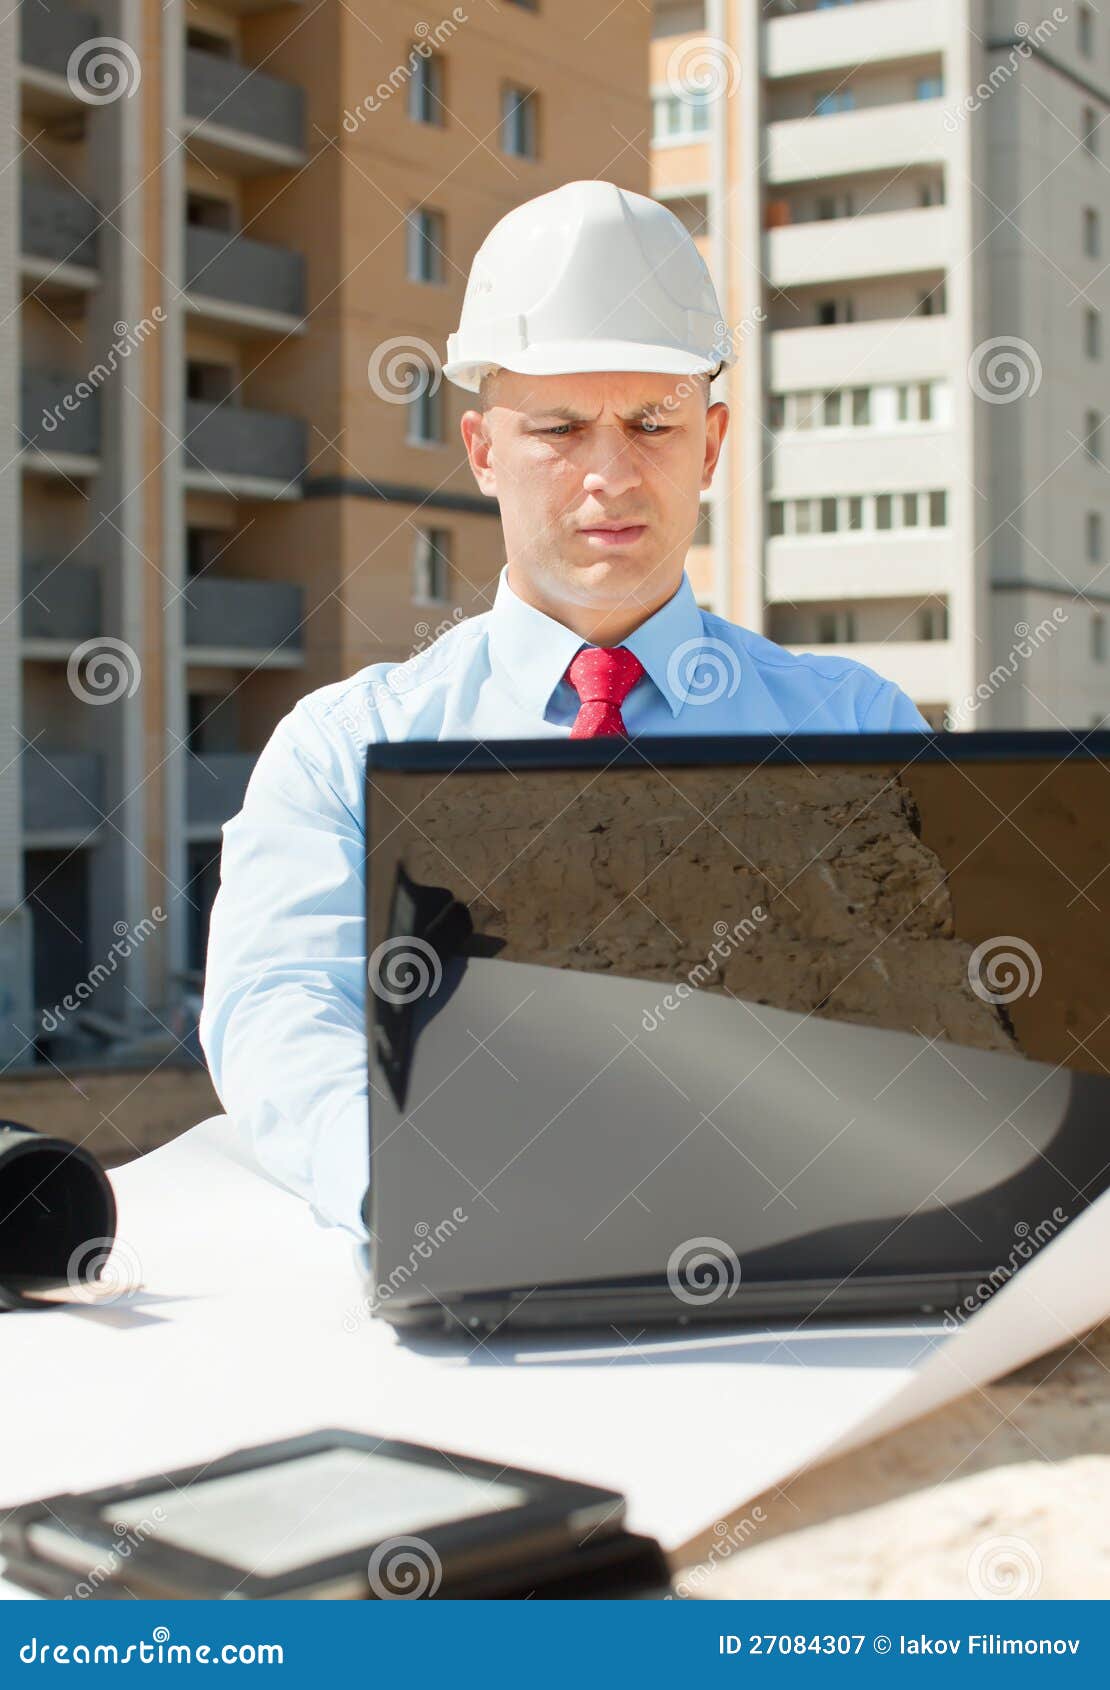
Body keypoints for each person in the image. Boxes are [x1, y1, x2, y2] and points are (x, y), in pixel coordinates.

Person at [199, 180, 930, 1237]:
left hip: (798, 1270)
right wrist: (418, 1188)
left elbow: (946, 1018)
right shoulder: (345, 748)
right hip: (470, 1272)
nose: (609, 475)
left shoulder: (858, 730)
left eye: (651, 424)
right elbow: (280, 1011)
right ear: (484, 448)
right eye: (558, 427)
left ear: (713, 443)